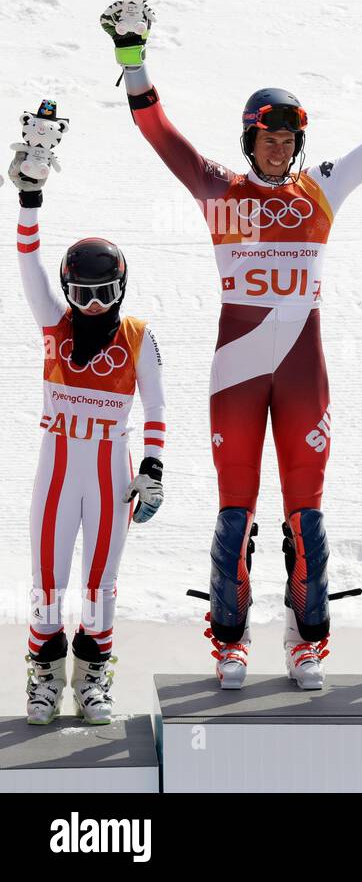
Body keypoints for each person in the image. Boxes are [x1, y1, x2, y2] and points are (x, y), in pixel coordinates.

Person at [100, 0, 362, 690]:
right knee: (234, 520)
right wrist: (132, 55)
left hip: (302, 376)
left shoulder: (320, 190)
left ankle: (307, 637)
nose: (281, 149)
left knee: (307, 520)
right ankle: (229, 641)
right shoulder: (219, 189)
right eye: (269, 138)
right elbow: (156, 128)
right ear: (251, 139)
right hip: (236, 377)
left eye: (291, 138)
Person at [10, 100, 165, 724]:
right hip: (56, 475)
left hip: (108, 478)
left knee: (100, 588)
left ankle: (92, 679)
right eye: (82, 294)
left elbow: (156, 404)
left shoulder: (137, 336)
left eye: (103, 293)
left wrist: (152, 465)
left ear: (121, 290)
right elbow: (27, 265)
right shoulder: (54, 325)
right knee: (48, 585)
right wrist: (30, 198)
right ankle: (44, 679)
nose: (93, 304)